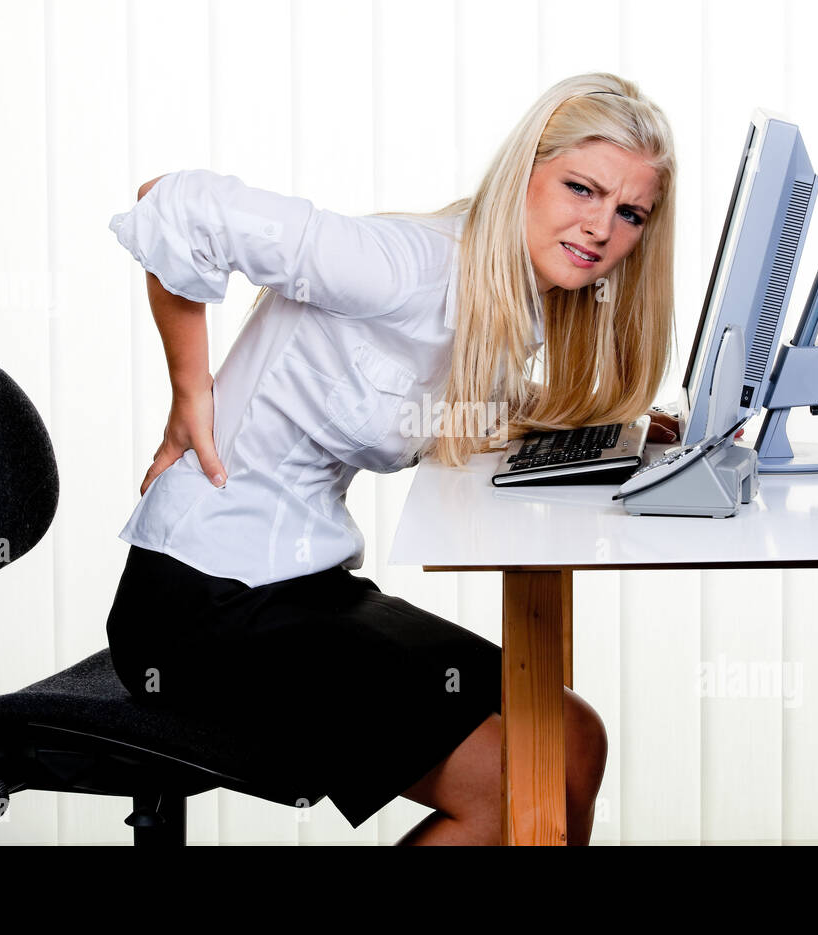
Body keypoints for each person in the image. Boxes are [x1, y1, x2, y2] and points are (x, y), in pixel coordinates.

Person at [103, 71, 680, 845]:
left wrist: (616, 430)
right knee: (516, 784)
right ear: (526, 174)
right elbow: (172, 201)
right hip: (203, 605)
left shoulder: (500, 303)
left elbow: (460, 404)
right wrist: (189, 392)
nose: (602, 227)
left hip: (299, 587)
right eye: (582, 188)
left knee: (574, 738)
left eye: (630, 212)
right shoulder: (404, 265)